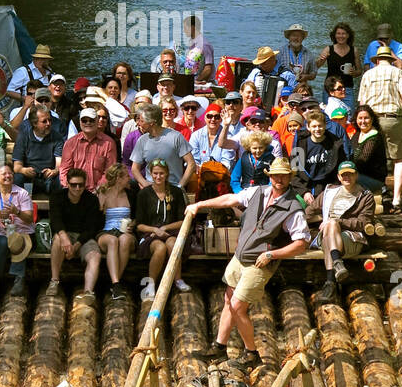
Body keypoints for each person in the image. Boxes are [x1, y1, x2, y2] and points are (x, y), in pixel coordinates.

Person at [191, 156, 311, 370]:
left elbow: (301, 243)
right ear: (270, 176)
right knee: (228, 299)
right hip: (240, 256)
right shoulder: (258, 192)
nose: (279, 180)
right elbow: (229, 200)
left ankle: (251, 353)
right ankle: (219, 348)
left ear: (289, 177)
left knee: (238, 306)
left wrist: (272, 255)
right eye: (275, 175)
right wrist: (199, 205)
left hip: (261, 263)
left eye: (283, 176)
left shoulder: (293, 207)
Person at [357, 45, 402, 212]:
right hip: (393, 118)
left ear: (377, 61)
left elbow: (361, 103)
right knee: (400, 158)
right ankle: (396, 199)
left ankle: (371, 192)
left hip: (372, 120)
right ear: (391, 59)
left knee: (372, 156)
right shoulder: (397, 73)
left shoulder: (368, 74)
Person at [306, 161, 374, 286]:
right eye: (344, 175)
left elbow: (363, 223)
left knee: (330, 229)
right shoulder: (329, 192)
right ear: (338, 177)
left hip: (352, 238)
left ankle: (330, 281)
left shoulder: (365, 196)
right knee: (330, 230)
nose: (347, 177)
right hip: (327, 235)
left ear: (356, 175)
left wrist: (337, 222)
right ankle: (337, 263)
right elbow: (309, 212)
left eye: (350, 174)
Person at [135, 158, 190, 299]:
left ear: (167, 174)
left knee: (173, 244)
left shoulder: (176, 192)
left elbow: (182, 221)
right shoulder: (144, 194)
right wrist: (155, 230)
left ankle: (178, 279)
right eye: (155, 173)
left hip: (171, 231)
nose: (158, 177)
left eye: (161, 173)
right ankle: (151, 283)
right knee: (160, 248)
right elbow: (139, 224)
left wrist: (165, 227)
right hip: (150, 234)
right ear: (151, 174)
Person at [0, 163, 34, 297]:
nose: (8, 176)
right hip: (2, 232)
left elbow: (29, 218)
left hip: (22, 231)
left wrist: (17, 211)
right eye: (4, 174)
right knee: (3, 243)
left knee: (18, 241)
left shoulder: (22, 193)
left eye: (10, 173)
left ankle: (19, 279)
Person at [48, 167, 102, 295]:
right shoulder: (57, 197)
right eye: (73, 185)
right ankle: (54, 280)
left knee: (95, 256)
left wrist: (77, 245)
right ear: (67, 184)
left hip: (84, 237)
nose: (77, 188)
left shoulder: (91, 200)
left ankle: (88, 292)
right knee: (57, 240)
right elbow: (55, 220)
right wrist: (64, 237)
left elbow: (91, 227)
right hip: (63, 233)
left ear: (85, 185)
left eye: (81, 185)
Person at [129, 104, 195, 191]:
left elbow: (191, 163)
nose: (138, 123)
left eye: (141, 121)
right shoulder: (142, 140)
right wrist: (146, 185)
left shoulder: (176, 137)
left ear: (151, 122)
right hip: (152, 191)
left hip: (173, 189)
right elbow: (134, 169)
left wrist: (180, 187)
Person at [96, 163, 137, 295]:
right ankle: (116, 283)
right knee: (113, 240)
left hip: (125, 231)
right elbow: (95, 218)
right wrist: (101, 206)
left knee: (124, 239)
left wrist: (133, 224)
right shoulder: (103, 193)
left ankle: (115, 282)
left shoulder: (131, 193)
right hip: (107, 231)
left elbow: (138, 216)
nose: (129, 179)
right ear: (118, 178)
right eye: (126, 176)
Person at [59, 106, 117, 190]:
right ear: (80, 122)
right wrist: (71, 187)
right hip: (74, 190)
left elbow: (109, 171)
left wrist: (98, 189)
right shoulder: (70, 143)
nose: (88, 123)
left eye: (91, 120)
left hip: (101, 191)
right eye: (84, 120)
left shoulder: (109, 143)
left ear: (97, 122)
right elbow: (64, 170)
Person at [12, 103, 63, 196]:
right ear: (34, 123)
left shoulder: (57, 137)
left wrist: (54, 171)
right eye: (44, 121)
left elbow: (59, 166)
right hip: (29, 179)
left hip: (48, 178)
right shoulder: (23, 136)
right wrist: (24, 170)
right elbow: (17, 167)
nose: (49, 124)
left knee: (61, 180)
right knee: (18, 178)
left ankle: (55, 207)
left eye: (50, 120)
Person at [343, 103, 388, 194]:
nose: (363, 121)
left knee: (342, 179)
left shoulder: (374, 137)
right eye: (360, 118)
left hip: (373, 179)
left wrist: (345, 170)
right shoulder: (357, 133)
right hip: (357, 174)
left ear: (372, 119)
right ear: (356, 119)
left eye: (366, 118)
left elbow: (362, 161)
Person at [299, 108, 342, 200]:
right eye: (314, 126)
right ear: (308, 127)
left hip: (328, 187)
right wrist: (304, 192)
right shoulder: (300, 144)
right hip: (305, 187)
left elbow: (339, 170)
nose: (317, 129)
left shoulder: (335, 144)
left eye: (320, 126)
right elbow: (294, 171)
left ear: (325, 126)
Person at [314, 22, 360, 105]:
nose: (341, 36)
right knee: (329, 115)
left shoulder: (354, 50)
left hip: (347, 89)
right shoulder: (329, 49)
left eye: (343, 34)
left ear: (348, 35)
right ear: (334, 35)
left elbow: (359, 71)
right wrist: (321, 59)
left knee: (349, 115)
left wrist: (354, 73)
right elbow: (316, 66)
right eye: (338, 33)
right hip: (330, 89)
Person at [190, 103, 238, 171]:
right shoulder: (196, 136)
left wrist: (212, 172)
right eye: (209, 116)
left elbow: (227, 162)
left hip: (221, 176)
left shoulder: (228, 136)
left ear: (221, 119)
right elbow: (194, 160)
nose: (213, 119)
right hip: (200, 175)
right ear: (205, 118)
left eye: (217, 117)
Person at [181, 13, 214, 81]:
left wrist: (196, 82)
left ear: (192, 27)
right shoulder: (192, 42)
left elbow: (208, 69)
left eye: (185, 28)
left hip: (203, 83)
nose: (184, 31)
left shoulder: (204, 44)